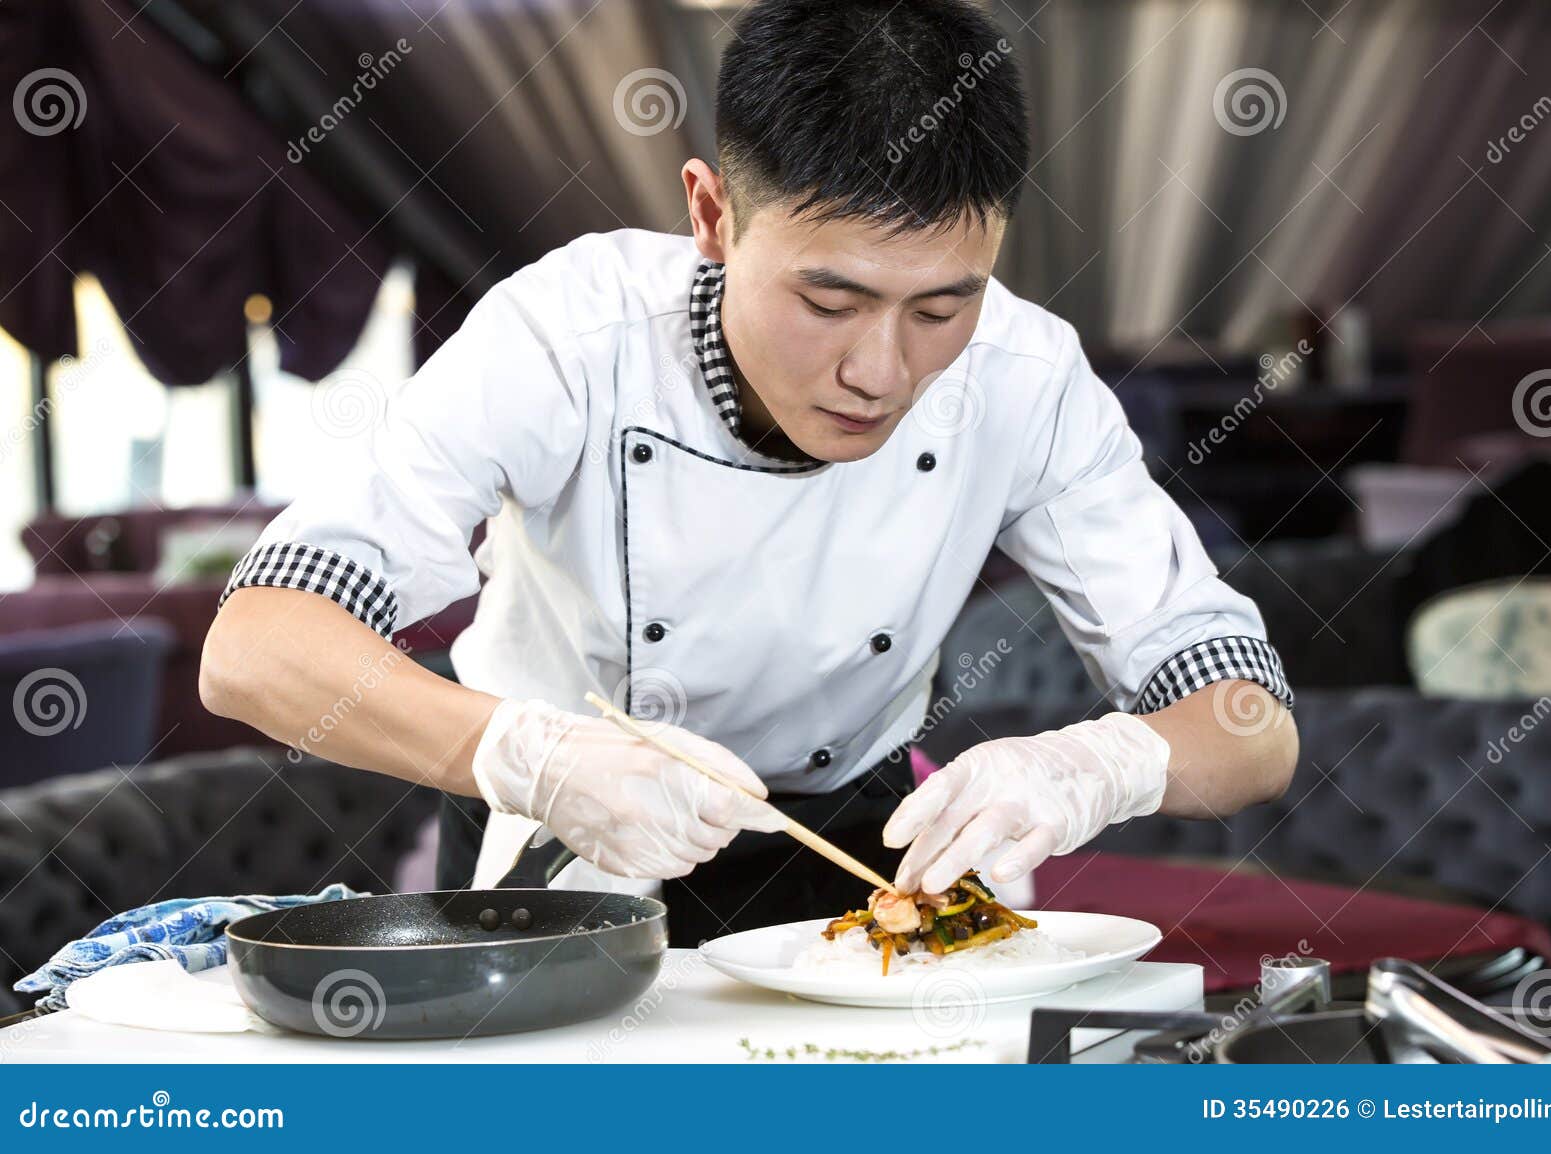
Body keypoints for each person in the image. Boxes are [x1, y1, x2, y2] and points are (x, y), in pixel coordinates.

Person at [200, 0, 1297, 947]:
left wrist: (1092, 768)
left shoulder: (1027, 379)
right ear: (712, 215)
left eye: (942, 305)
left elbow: (1254, 727)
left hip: (848, 851)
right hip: (562, 854)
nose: (880, 370)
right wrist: (527, 755)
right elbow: (254, 646)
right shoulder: (568, 337)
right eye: (828, 301)